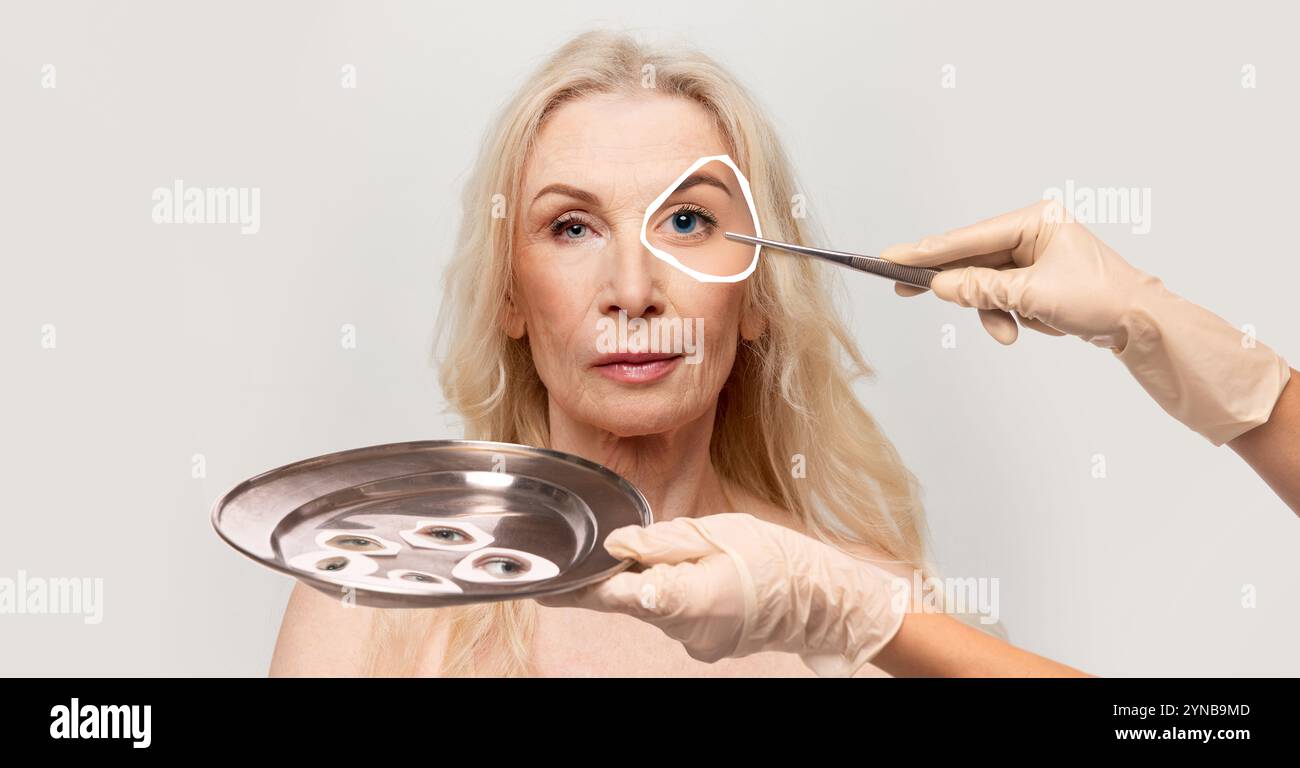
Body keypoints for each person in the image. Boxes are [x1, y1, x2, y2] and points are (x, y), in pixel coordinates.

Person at [268, 29, 1294, 677]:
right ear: (510, 299)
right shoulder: (372, 597)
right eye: (571, 228)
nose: (633, 290)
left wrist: (1161, 325)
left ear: (757, 297)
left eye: (687, 223)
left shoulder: (855, 609)